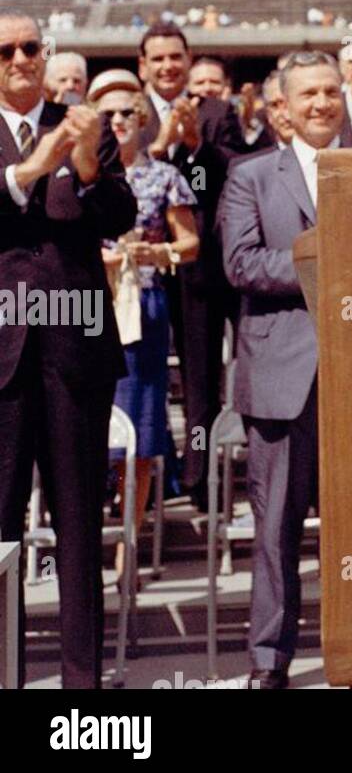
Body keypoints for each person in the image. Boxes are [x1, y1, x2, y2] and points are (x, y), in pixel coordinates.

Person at [0, 11, 137, 687]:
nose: (22, 57)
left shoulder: (84, 121)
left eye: (32, 46)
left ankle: (81, 689)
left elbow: (121, 215)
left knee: (79, 528)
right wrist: (30, 169)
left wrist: (83, 162)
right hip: (2, 357)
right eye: (7, 49)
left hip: (76, 351)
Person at [219, 52, 343, 689]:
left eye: (330, 92)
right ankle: (269, 662)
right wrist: (328, 262)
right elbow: (240, 264)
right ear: (284, 111)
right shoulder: (251, 176)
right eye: (309, 96)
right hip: (281, 379)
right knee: (275, 531)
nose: (321, 103)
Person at [89, 69, 199, 583]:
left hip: (145, 309)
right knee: (89, 429)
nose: (117, 122)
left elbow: (189, 244)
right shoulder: (81, 174)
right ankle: (87, 541)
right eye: (106, 114)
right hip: (89, 309)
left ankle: (127, 550)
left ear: (143, 117)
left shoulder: (166, 175)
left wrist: (156, 251)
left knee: (141, 431)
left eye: (126, 113)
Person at [137, 21, 243, 505]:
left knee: (201, 380)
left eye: (175, 57)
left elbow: (224, 177)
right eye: (157, 58)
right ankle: (143, 481)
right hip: (139, 274)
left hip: (200, 269)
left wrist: (196, 147)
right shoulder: (128, 115)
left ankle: (199, 480)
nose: (167, 66)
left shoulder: (217, 111)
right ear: (143, 66)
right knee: (140, 380)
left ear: (187, 59)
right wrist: (160, 145)